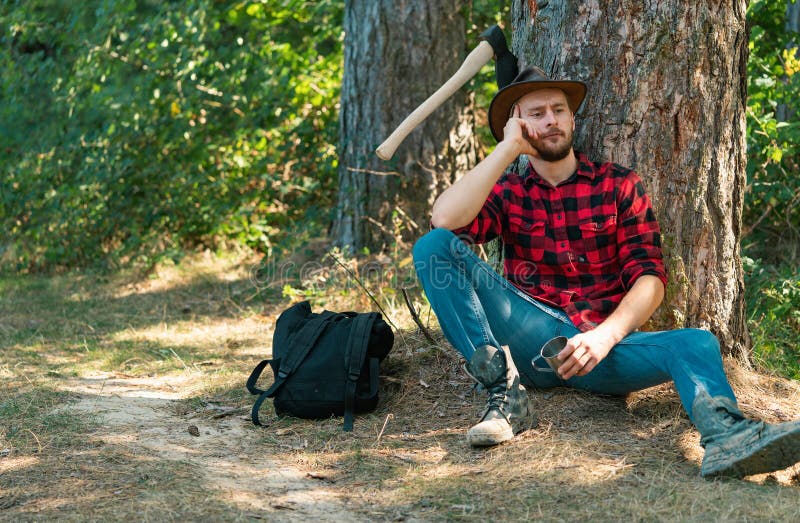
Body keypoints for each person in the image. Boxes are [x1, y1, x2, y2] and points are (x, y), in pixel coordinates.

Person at [411, 67, 800, 479]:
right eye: (537, 113)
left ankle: (727, 438)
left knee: (696, 343)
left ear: (572, 119)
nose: (551, 120)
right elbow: (444, 219)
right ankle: (505, 397)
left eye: (559, 110)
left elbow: (650, 279)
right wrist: (507, 151)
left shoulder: (617, 186)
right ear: (519, 125)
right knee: (433, 247)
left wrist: (603, 337)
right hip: (525, 340)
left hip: (600, 350)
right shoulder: (508, 192)